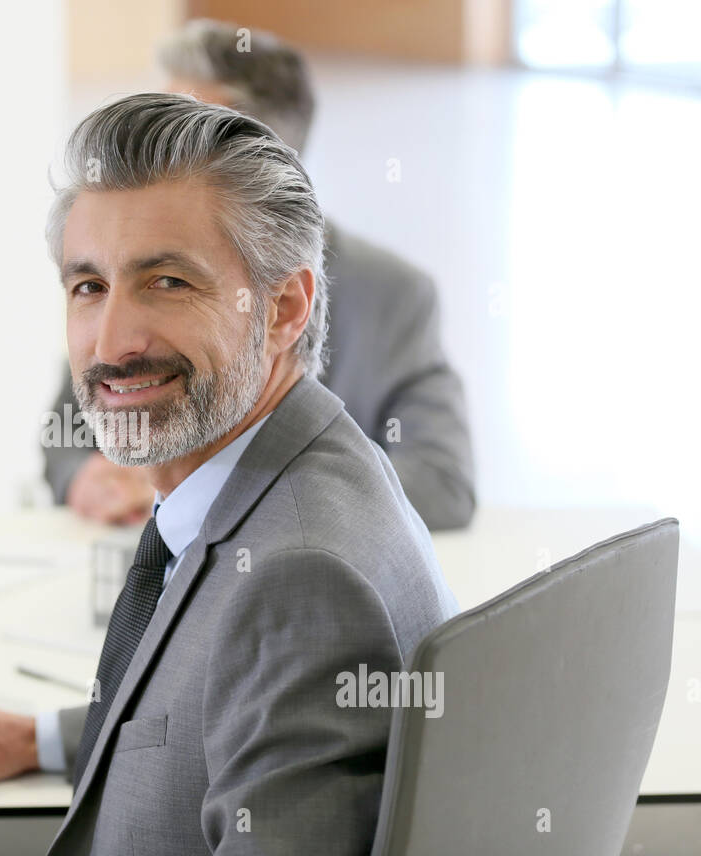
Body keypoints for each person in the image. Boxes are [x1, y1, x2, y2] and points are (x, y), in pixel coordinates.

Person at [0, 94, 459, 856]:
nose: (112, 343)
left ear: (284, 308)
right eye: (88, 287)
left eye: (167, 283)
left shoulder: (301, 581)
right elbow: (229, 705)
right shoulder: (293, 468)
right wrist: (41, 737)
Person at [44, 19, 475, 531]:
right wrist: (86, 479)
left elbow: (443, 479)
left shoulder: (393, 293)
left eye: (183, 138)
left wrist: (219, 482)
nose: (147, 159)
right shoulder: (120, 281)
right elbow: (68, 431)